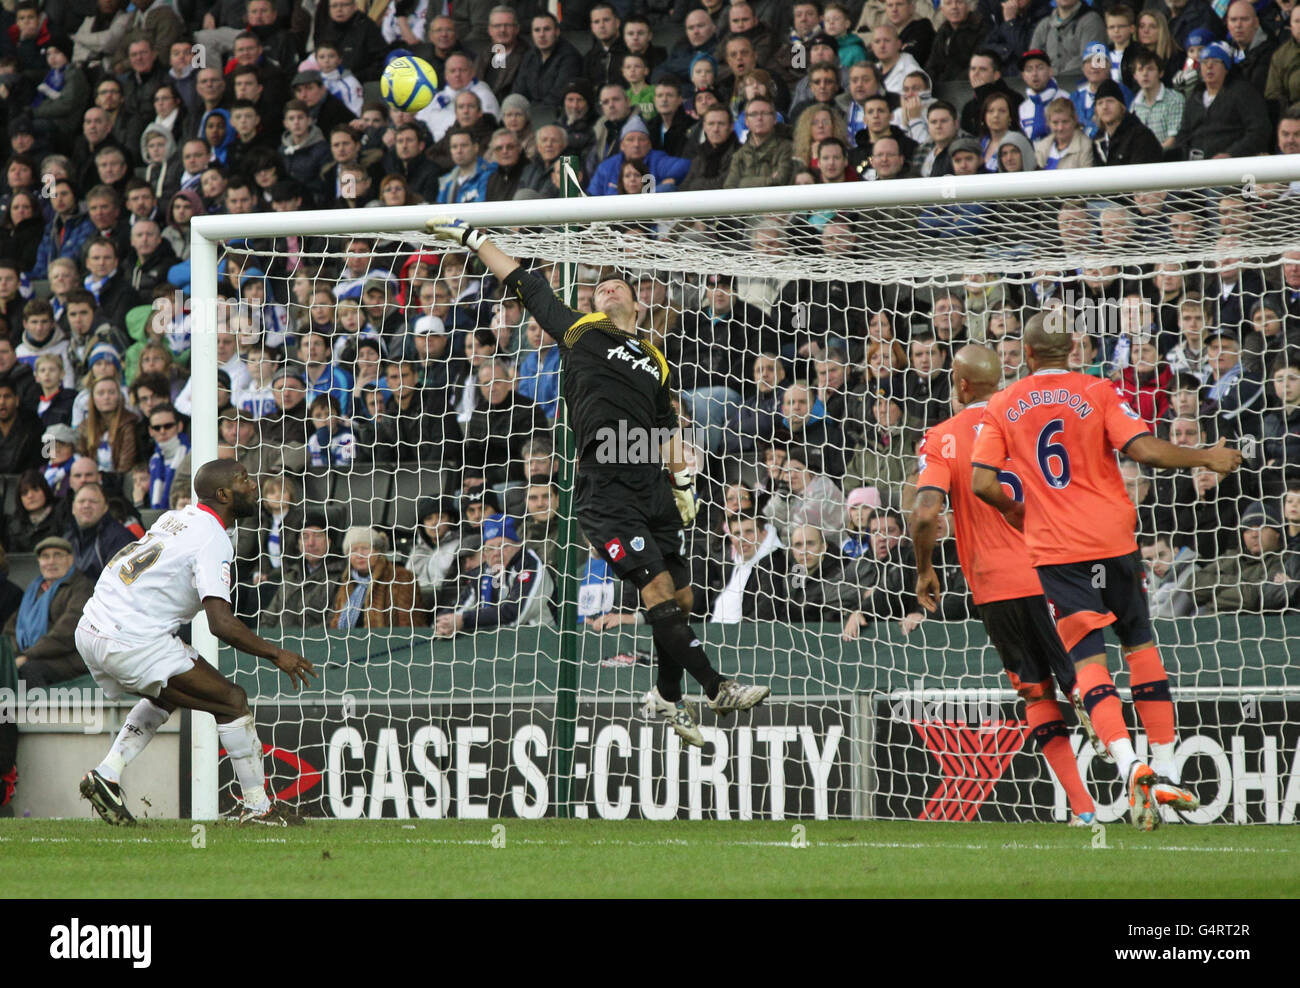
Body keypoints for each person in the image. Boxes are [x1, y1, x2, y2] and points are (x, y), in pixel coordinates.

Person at [428, 217, 770, 746]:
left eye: (616, 286)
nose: (605, 289)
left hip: (652, 488)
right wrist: (475, 239)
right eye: (598, 287)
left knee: (680, 600)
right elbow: (525, 281)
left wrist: (683, 481)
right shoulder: (582, 332)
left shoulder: (656, 360)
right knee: (654, 588)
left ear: (637, 302)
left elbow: (665, 430)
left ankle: (665, 698)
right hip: (604, 490)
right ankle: (716, 686)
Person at [971, 314, 1243, 830]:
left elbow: (983, 482)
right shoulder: (1097, 389)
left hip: (1056, 552)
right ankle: (1164, 768)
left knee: (1087, 660)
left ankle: (1128, 763)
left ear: (1026, 355)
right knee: (1139, 643)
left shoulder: (1002, 404)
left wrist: (1021, 515)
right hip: (1112, 540)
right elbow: (1142, 451)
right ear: (1074, 347)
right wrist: (1205, 455)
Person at [912, 345, 1099, 826]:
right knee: (1085, 679)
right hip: (1052, 571)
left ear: (960, 384)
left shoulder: (942, 438)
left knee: (1036, 695)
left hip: (994, 588)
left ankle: (1083, 811)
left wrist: (924, 570)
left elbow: (925, 515)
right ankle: (1133, 767)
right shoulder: (1028, 422)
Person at [76, 459, 315, 826]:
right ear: (223, 495)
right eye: (245, 480)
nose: (254, 486)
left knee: (164, 695)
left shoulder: (175, 518)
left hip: (93, 626)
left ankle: (108, 773)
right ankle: (259, 808)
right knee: (232, 701)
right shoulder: (212, 539)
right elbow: (220, 624)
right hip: (131, 639)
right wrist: (276, 653)